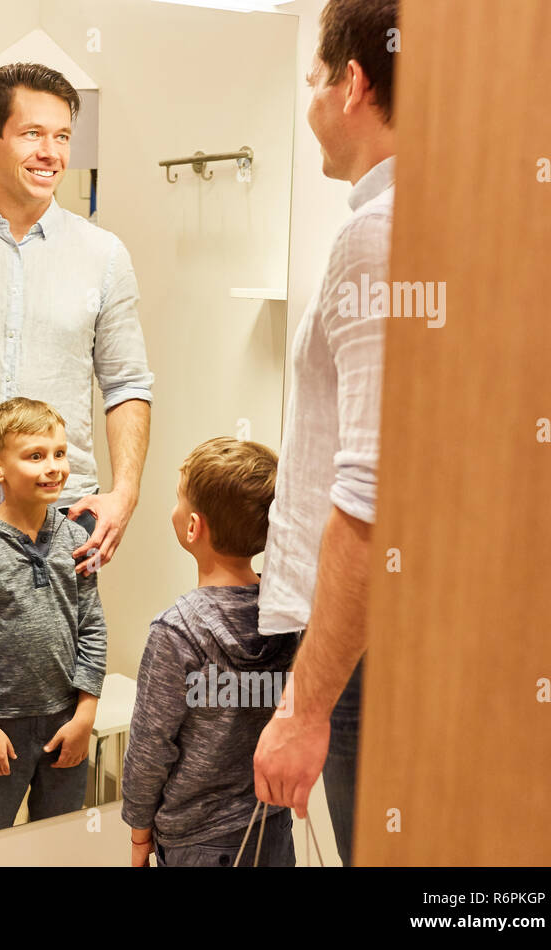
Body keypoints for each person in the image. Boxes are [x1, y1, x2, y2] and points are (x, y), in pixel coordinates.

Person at [253, 0, 399, 867]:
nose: (309, 102)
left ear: (352, 85)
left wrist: (304, 711)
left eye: (313, 80)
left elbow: (372, 495)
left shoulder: (378, 238)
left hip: (365, 658)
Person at [0, 63, 153, 574]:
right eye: (32, 134)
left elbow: (127, 383)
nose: (51, 153)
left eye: (62, 136)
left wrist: (124, 494)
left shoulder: (103, 255)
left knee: (64, 656)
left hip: (65, 517)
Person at [121, 437, 297, 866]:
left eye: (179, 500)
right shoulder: (288, 613)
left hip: (197, 839)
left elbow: (150, 748)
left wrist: (139, 834)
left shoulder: (176, 631)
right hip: (271, 821)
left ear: (193, 527)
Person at [0, 397, 107, 835]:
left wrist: (85, 715)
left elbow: (92, 625)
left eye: (60, 453)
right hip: (1, 724)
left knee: (58, 837)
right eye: (35, 456)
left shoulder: (79, 539)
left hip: (66, 720)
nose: (54, 467)